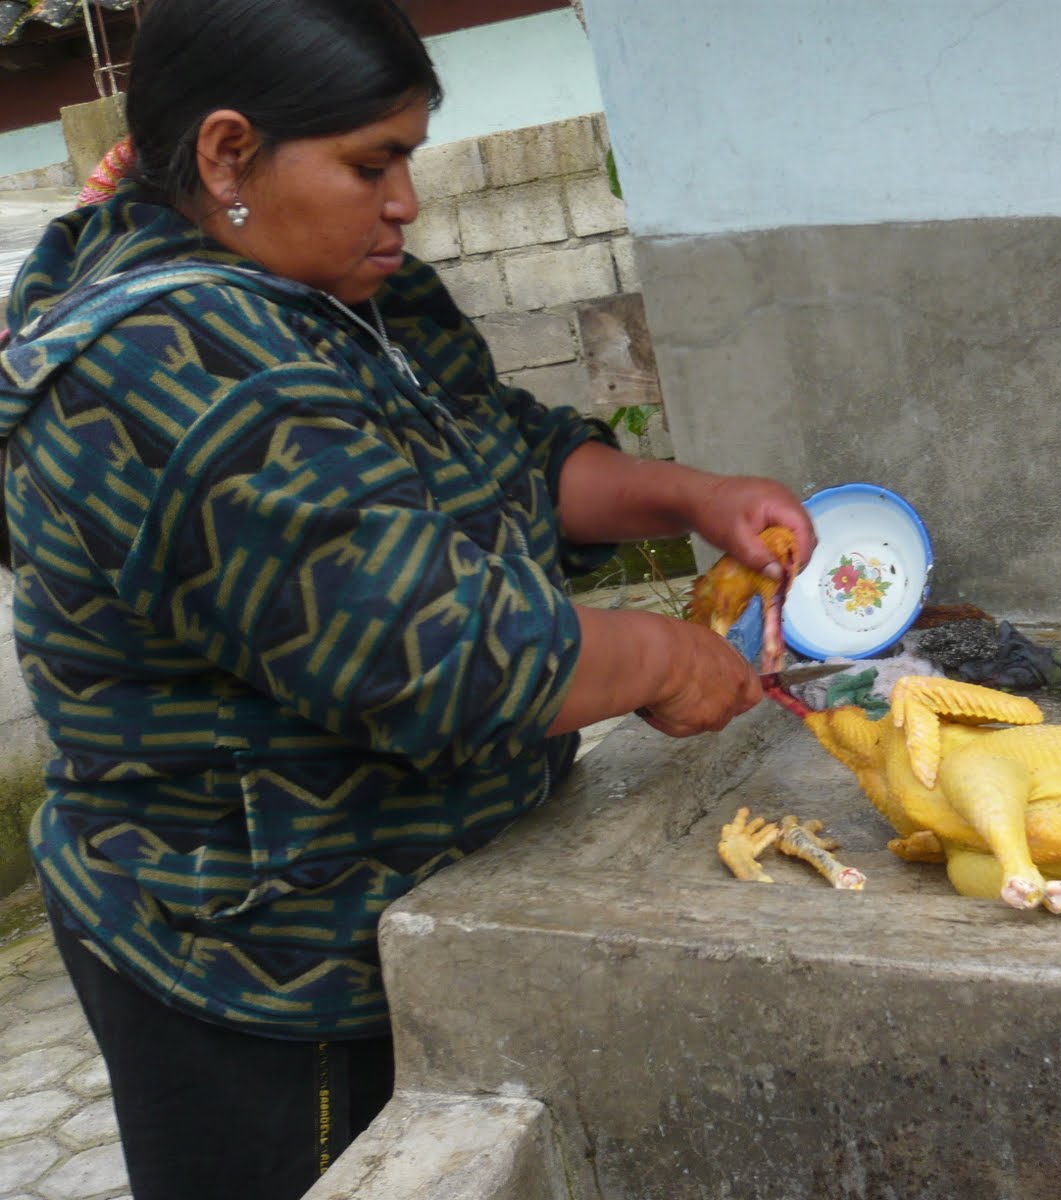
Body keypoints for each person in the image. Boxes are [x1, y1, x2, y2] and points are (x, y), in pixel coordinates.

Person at [0, 1, 814, 1196]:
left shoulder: (340, 288)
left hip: (395, 900)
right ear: (227, 154)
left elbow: (506, 456)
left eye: (409, 159)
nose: (405, 202)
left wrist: (688, 497)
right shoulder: (159, 369)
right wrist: (654, 658)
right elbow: (435, 655)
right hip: (254, 950)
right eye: (369, 164)